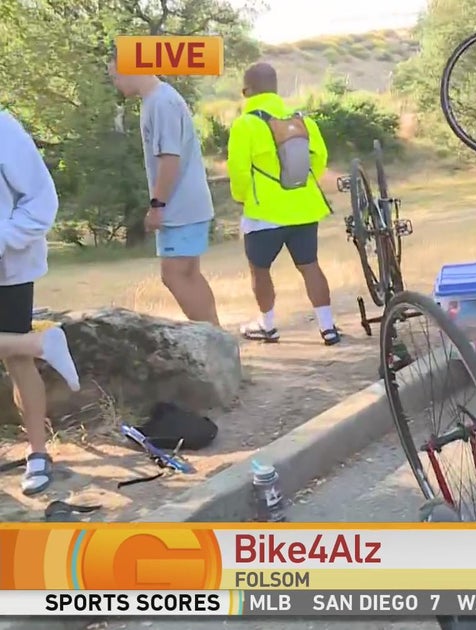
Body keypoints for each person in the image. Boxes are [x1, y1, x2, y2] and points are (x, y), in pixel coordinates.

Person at [226, 62, 341, 345]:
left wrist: (242, 197)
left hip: (264, 211)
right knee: (310, 265)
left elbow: (238, 170)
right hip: (304, 208)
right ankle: (328, 328)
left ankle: (267, 325)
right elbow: (319, 160)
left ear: (246, 91)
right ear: (276, 89)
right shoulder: (304, 121)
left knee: (260, 269)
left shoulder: (245, 124)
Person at [0, 110, 82, 495]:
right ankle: (41, 343)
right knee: (21, 350)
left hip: (8, 267)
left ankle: (37, 453)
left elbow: (41, 199)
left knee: (17, 362)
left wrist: (3, 240)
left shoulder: (4, 127)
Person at [108, 62, 221, 326]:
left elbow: (169, 158)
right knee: (189, 274)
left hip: (180, 205)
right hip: (188, 203)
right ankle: (218, 338)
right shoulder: (159, 99)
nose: (114, 83)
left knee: (174, 275)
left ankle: (212, 337)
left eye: (114, 76)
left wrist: (157, 205)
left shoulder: (160, 102)